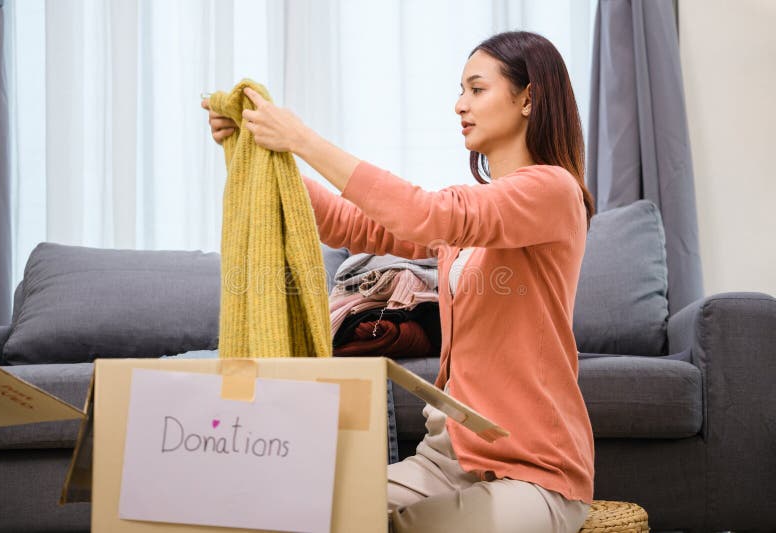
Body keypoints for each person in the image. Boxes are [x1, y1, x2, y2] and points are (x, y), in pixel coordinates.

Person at [204, 30, 595, 533]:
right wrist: (260, 156)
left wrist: (302, 140)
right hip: (446, 460)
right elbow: (356, 225)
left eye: (477, 89)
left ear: (528, 98)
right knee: (307, 511)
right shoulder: (475, 220)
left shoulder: (551, 190)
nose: (460, 105)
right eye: (461, 90)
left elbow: (427, 214)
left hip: (536, 475)